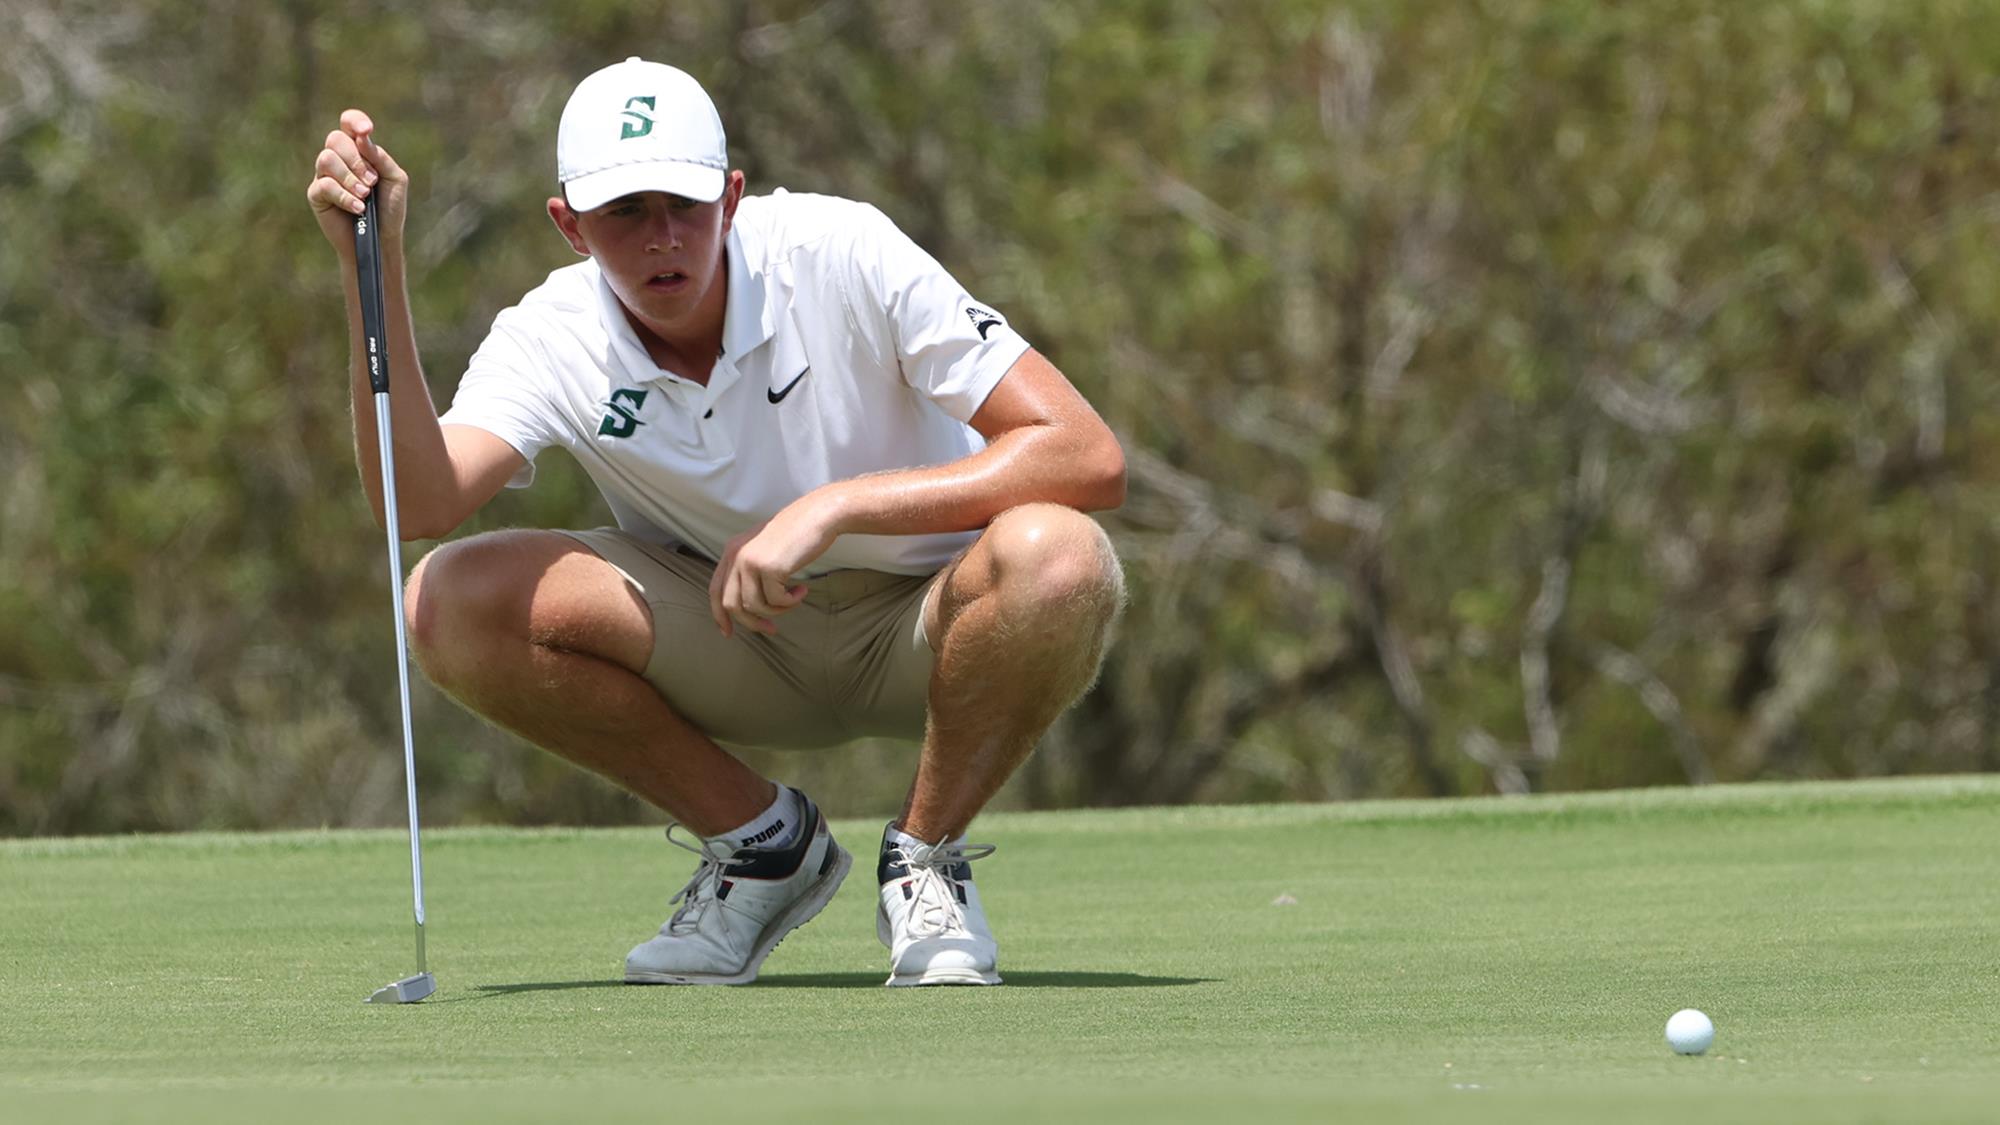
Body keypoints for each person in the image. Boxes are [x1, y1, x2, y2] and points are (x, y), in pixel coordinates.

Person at [305, 58, 1126, 987]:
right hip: (737, 642)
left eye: (683, 206)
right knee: (448, 599)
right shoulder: (550, 335)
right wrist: (370, 270)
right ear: (569, 224)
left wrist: (835, 506)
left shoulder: (841, 250)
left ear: (731, 197)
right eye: (624, 213)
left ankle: (926, 860)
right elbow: (418, 505)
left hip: (935, 632)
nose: (662, 240)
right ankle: (763, 845)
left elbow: (1084, 452)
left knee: (1060, 556)